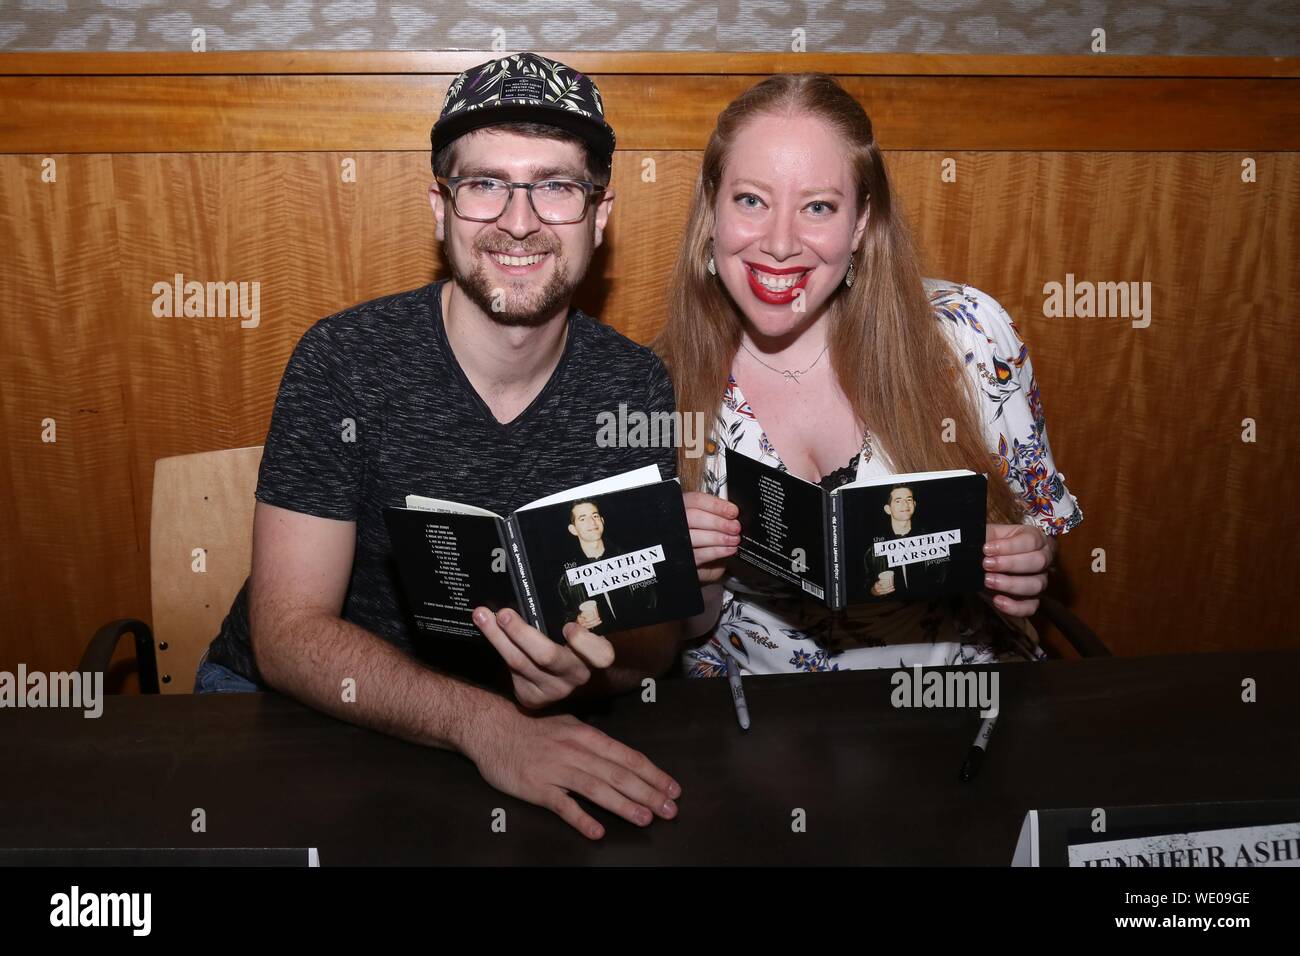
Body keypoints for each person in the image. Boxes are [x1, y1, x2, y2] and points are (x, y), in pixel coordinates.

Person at [196, 53, 683, 840]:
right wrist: (487, 725)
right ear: (441, 208)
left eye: (555, 186)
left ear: (599, 216)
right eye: (484, 184)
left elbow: (652, 639)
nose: (517, 221)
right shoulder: (342, 362)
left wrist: (599, 667)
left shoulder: (634, 388)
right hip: (301, 712)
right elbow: (285, 634)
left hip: (524, 738)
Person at [654, 73, 1083, 677]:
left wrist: (1026, 559)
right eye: (751, 200)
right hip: (757, 725)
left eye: (819, 207)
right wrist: (693, 574)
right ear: (712, 211)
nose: (779, 243)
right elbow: (680, 633)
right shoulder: (657, 385)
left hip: (956, 707)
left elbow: (1041, 521)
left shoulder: (966, 336)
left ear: (859, 224)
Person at [556, 499, 658, 633]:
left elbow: (653, 603)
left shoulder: (631, 559)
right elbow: (563, 617)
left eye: (595, 516)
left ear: (602, 521)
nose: (592, 522)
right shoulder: (567, 578)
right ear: (573, 529)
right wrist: (577, 622)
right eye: (582, 518)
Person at [865, 485, 949, 598]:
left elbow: (943, 580)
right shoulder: (874, 549)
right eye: (898, 501)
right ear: (888, 509)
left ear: (914, 504)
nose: (905, 504)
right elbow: (864, 584)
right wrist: (874, 590)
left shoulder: (932, 540)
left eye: (909, 499)